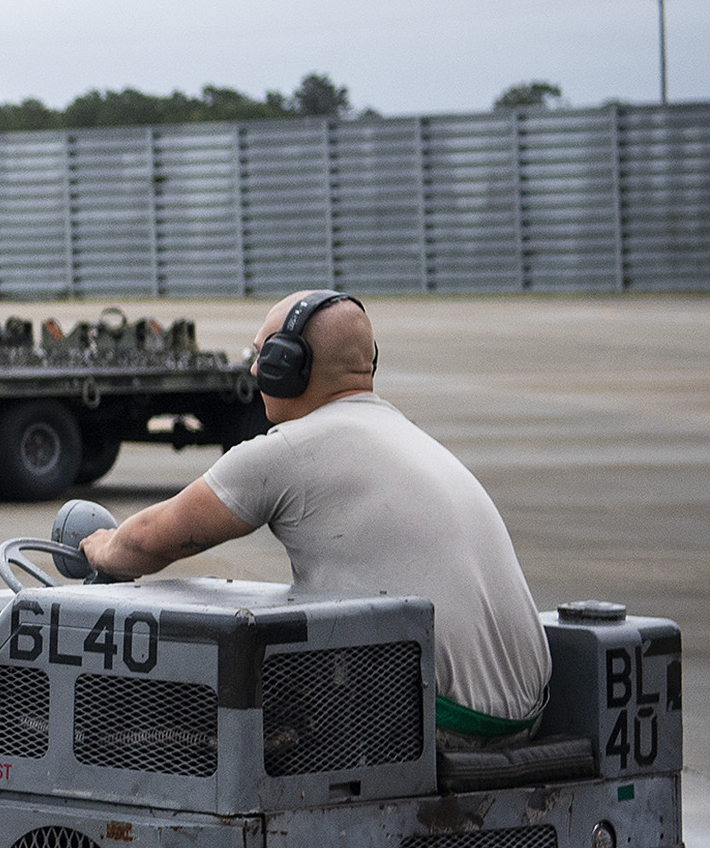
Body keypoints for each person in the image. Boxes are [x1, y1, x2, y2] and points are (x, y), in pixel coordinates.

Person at [77, 290, 550, 748]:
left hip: (440, 718)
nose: (256, 369)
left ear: (291, 368)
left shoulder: (290, 452)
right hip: (528, 711)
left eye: (264, 355)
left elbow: (148, 542)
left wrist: (99, 546)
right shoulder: (404, 434)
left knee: (192, 698)